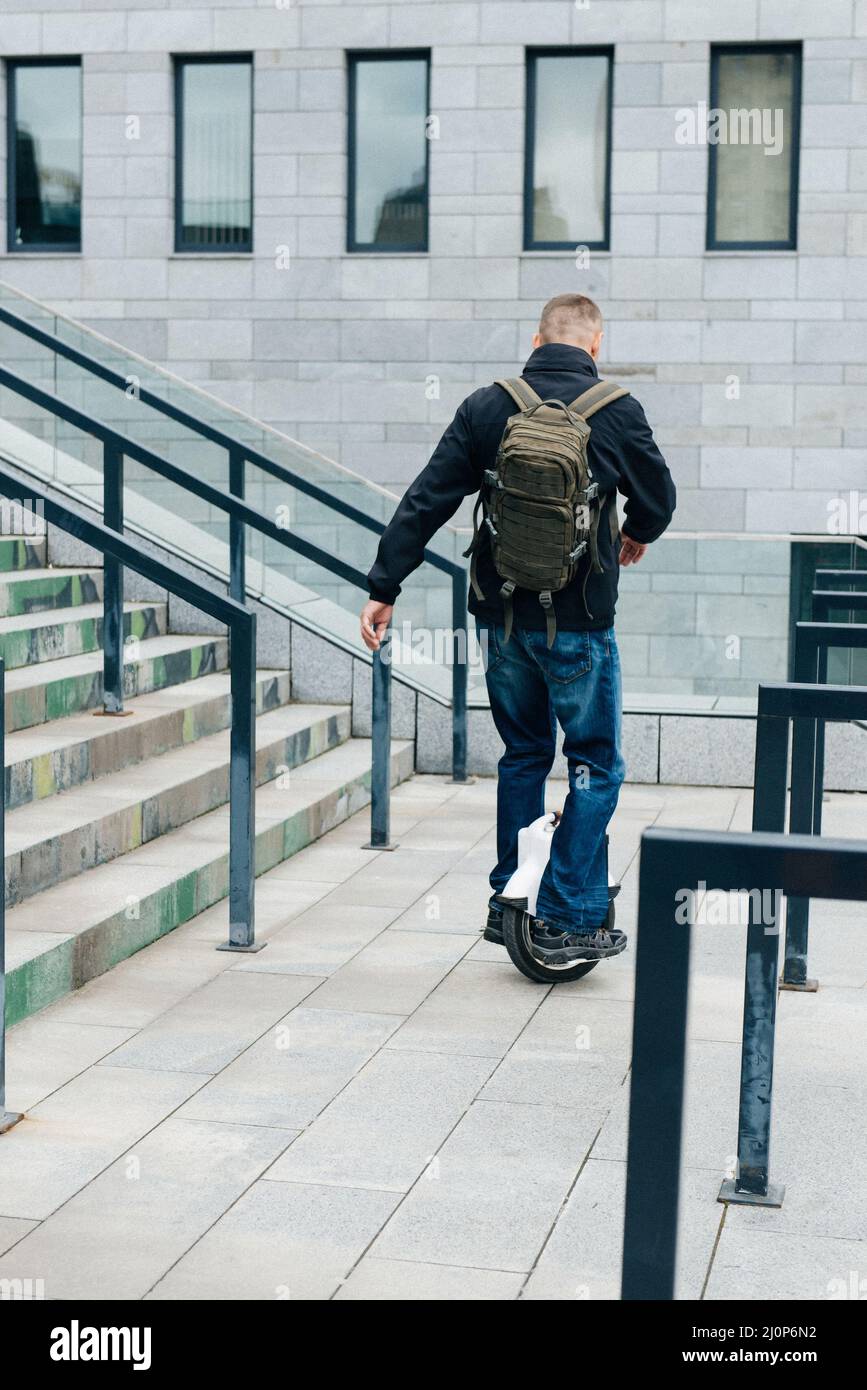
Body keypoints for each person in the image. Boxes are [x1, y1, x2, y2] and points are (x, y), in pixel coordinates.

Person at [360, 293, 676, 962]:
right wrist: (638, 531)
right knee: (593, 764)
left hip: (499, 619)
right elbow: (658, 500)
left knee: (523, 756)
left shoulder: (486, 405)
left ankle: (509, 893)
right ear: (594, 347)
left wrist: (383, 586)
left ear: (536, 340)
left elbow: (427, 499)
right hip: (581, 625)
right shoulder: (616, 409)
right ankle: (564, 914)